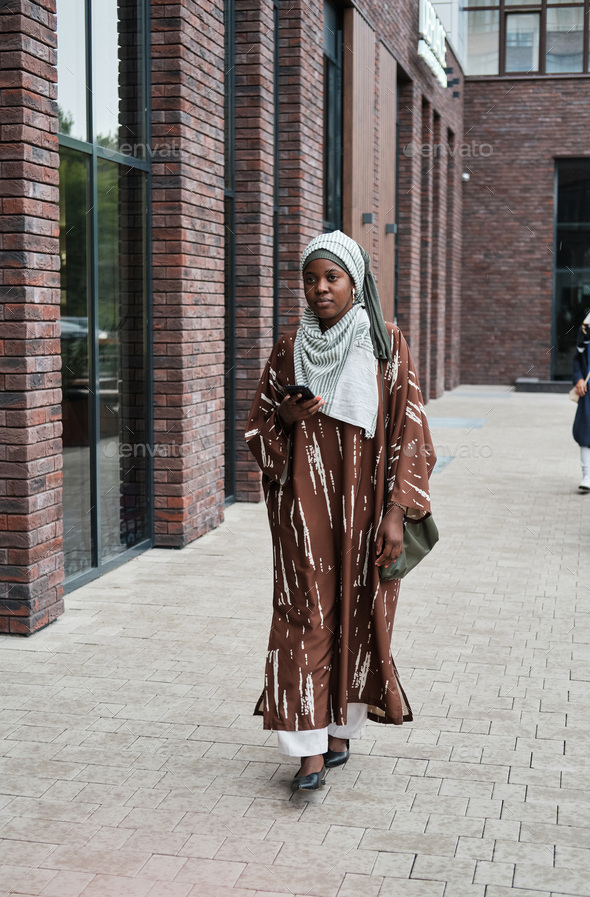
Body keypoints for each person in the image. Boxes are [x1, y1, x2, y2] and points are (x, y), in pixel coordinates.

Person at [245, 230, 435, 792]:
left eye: (332, 277)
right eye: (310, 278)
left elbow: (410, 432)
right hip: (303, 513)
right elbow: (256, 431)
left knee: (360, 612)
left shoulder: (385, 345)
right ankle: (305, 753)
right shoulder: (287, 349)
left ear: (355, 283)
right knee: (304, 617)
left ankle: (338, 734)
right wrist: (285, 415)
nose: (319, 288)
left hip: (367, 512)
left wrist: (398, 512)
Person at [573, 310, 590, 492]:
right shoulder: (586, 328)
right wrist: (578, 379)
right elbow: (577, 359)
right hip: (588, 391)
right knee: (585, 433)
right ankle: (587, 476)